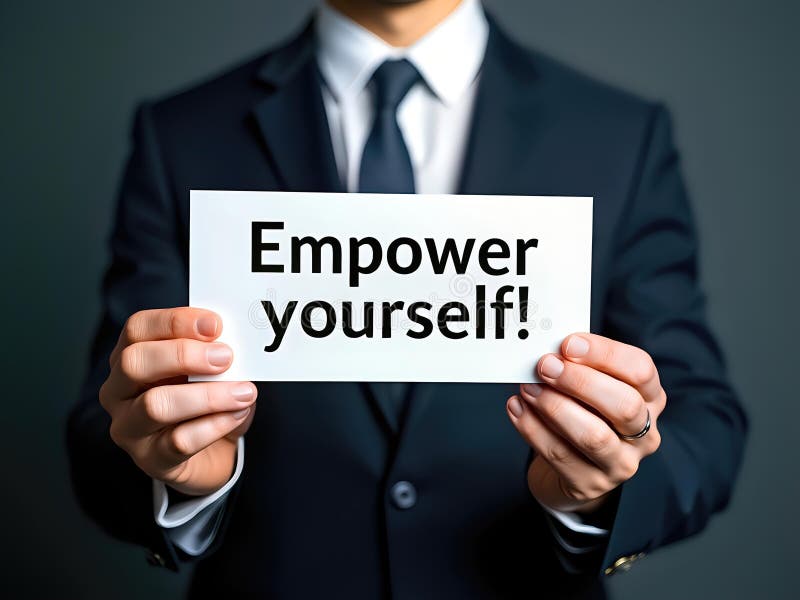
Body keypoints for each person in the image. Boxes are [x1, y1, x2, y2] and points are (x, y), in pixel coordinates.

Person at [67, 0, 748, 598]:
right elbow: (105, 424)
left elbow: (702, 421)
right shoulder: (181, 133)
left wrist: (605, 486)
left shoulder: (619, 134)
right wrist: (179, 477)